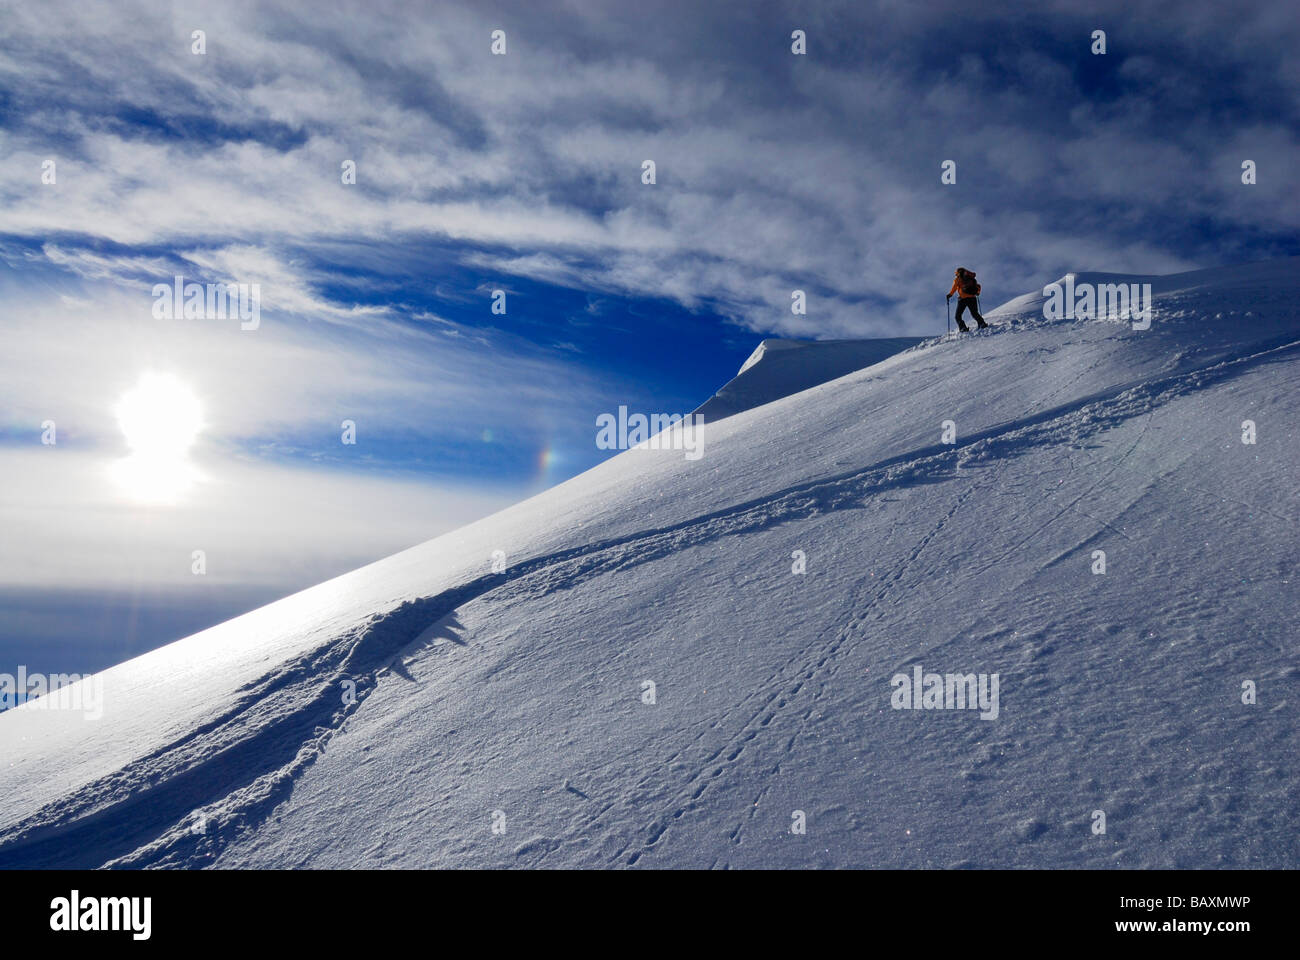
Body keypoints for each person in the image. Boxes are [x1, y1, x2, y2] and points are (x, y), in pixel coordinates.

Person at [947, 267, 988, 332]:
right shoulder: (971, 278)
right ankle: (982, 323)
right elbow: (978, 286)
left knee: (958, 316)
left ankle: (963, 328)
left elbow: (954, 288)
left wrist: (950, 295)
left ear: (958, 273)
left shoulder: (957, 279)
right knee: (974, 313)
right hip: (972, 298)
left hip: (962, 299)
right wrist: (977, 293)